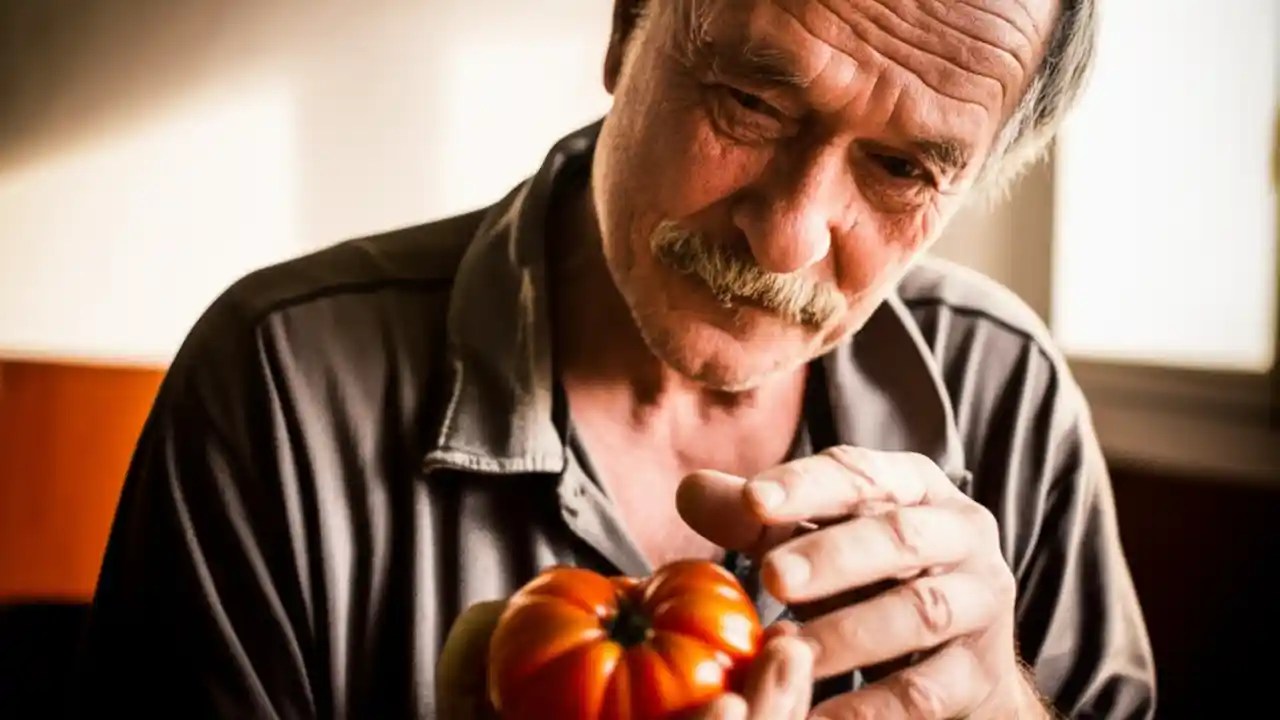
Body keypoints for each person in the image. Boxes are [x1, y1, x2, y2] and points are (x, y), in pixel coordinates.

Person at [72, 0, 1156, 717]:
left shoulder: (1007, 395)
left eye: (902, 169)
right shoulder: (278, 386)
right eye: (746, 100)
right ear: (627, 26)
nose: (787, 234)